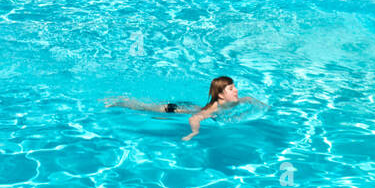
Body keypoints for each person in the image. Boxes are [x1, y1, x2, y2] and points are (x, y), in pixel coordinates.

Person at [106, 76, 264, 140]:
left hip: (191, 106)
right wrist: (194, 132)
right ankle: (120, 101)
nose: (236, 90)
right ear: (221, 95)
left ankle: (122, 100)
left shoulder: (233, 102)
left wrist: (262, 106)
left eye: (234, 86)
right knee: (144, 108)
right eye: (231, 89)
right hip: (176, 110)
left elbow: (248, 99)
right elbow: (194, 118)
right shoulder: (213, 109)